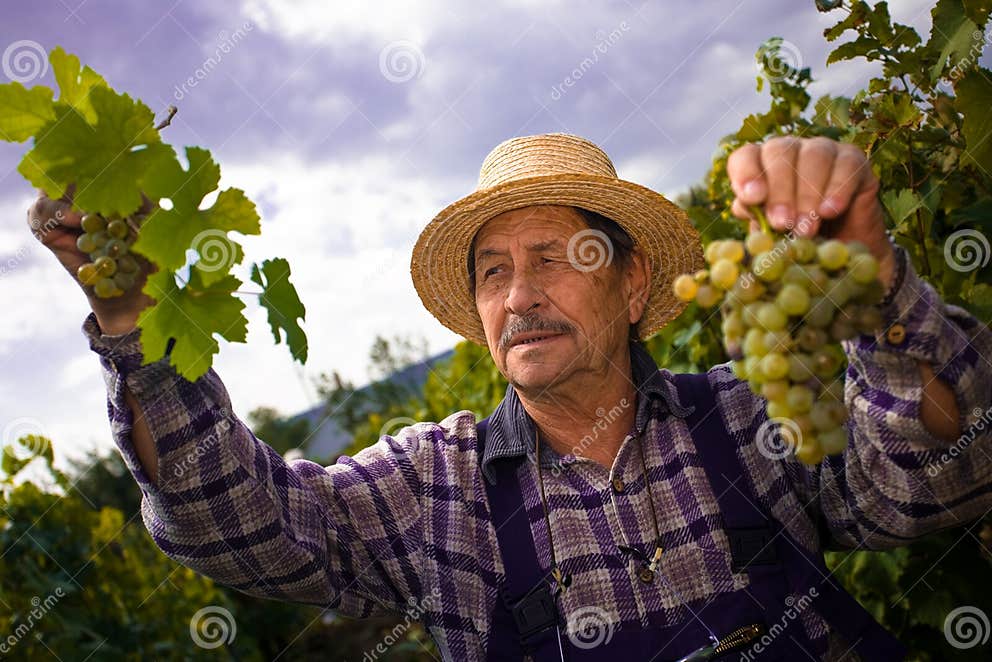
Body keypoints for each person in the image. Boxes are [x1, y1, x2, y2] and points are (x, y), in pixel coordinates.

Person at [27, 132, 992, 661]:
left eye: (554, 259)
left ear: (633, 285)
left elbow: (941, 486)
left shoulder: (753, 417)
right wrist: (133, 318)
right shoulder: (428, 486)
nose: (519, 294)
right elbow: (236, 527)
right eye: (493, 273)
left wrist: (875, 297)